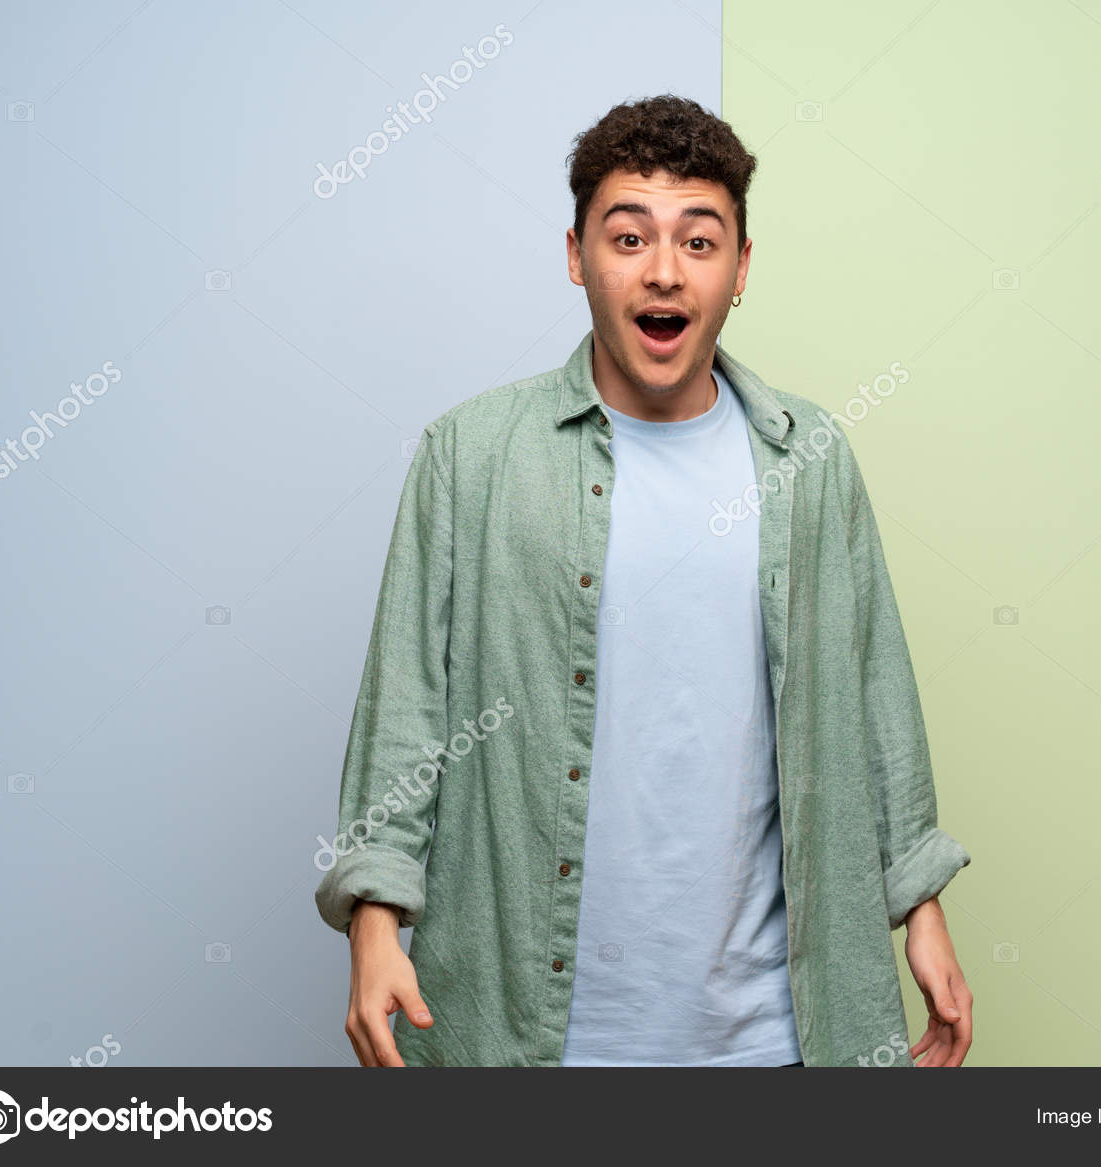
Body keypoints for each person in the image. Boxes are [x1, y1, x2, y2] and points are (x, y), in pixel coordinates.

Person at [315, 94, 973, 1067]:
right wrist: (375, 930)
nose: (663, 268)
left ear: (740, 268)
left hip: (772, 1035)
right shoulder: (471, 456)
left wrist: (919, 910)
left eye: (699, 241)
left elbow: (873, 696)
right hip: (529, 1029)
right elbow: (406, 706)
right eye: (628, 236)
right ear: (578, 255)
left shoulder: (810, 458)